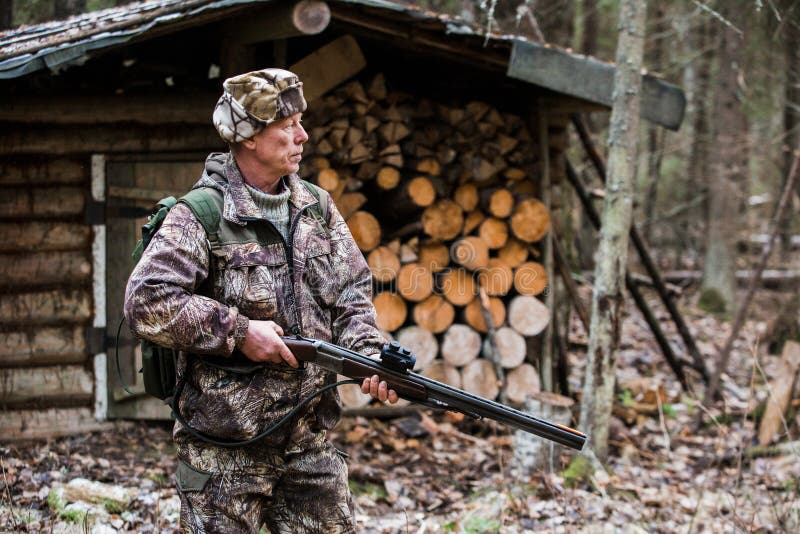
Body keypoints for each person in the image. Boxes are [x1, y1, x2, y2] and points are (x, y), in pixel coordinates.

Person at [124, 68, 397, 533]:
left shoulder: (317, 207)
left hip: (309, 445)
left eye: (300, 122)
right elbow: (146, 300)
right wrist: (238, 332)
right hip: (223, 455)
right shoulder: (202, 215)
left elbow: (352, 292)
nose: (302, 136)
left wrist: (368, 358)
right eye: (288, 125)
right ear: (248, 135)